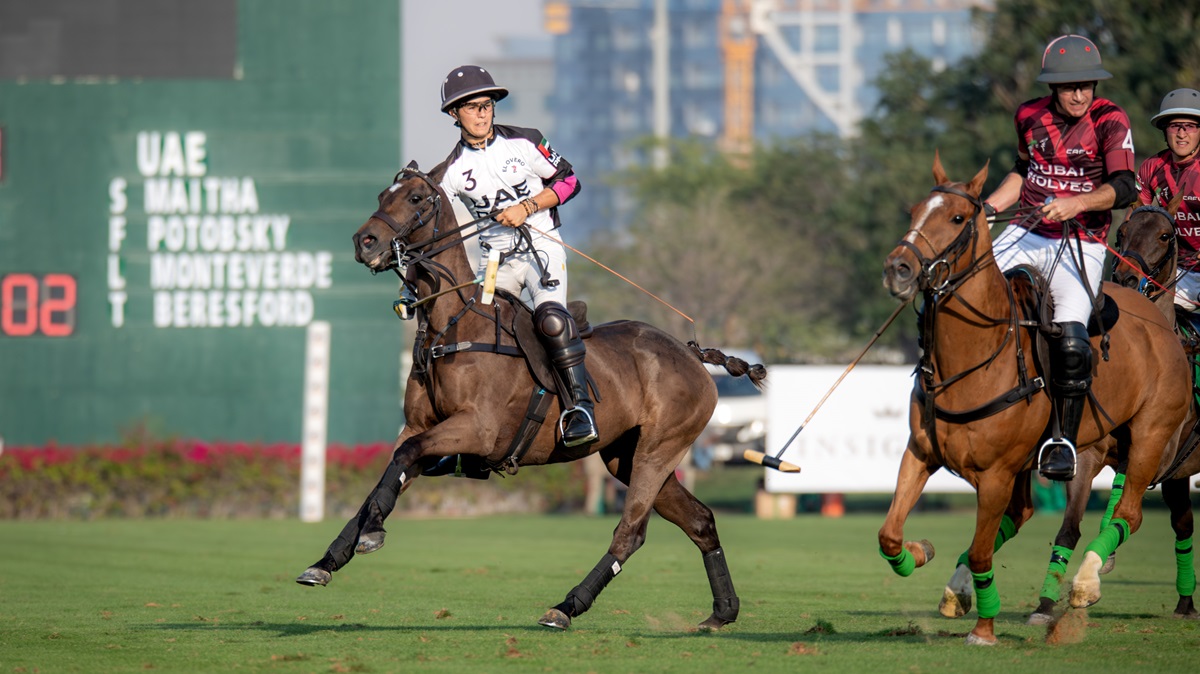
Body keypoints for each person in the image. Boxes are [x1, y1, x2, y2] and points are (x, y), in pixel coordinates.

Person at [981, 35, 1139, 482]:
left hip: (1082, 240)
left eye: (1086, 85)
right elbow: (1022, 171)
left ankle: (1061, 441)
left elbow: (1125, 187)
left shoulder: (1110, 120)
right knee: (963, 290)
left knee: (1071, 340)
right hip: (1025, 230)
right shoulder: (1029, 115)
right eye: (1069, 86)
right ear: (1052, 87)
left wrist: (1079, 203)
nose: (1078, 94)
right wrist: (989, 209)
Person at [432, 64, 598, 457]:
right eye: (471, 107)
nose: (482, 112)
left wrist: (528, 206)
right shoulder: (451, 173)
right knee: (476, 330)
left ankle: (580, 410)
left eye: (486, 104)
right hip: (493, 262)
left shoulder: (526, 141)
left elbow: (569, 181)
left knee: (551, 319)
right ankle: (470, 431)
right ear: (455, 114)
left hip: (542, 247)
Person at [1136, 88, 1200, 311]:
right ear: (1165, 130)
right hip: (1178, 272)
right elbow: (1136, 224)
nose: (1182, 134)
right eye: (1175, 126)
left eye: (1190, 126)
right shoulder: (1152, 168)